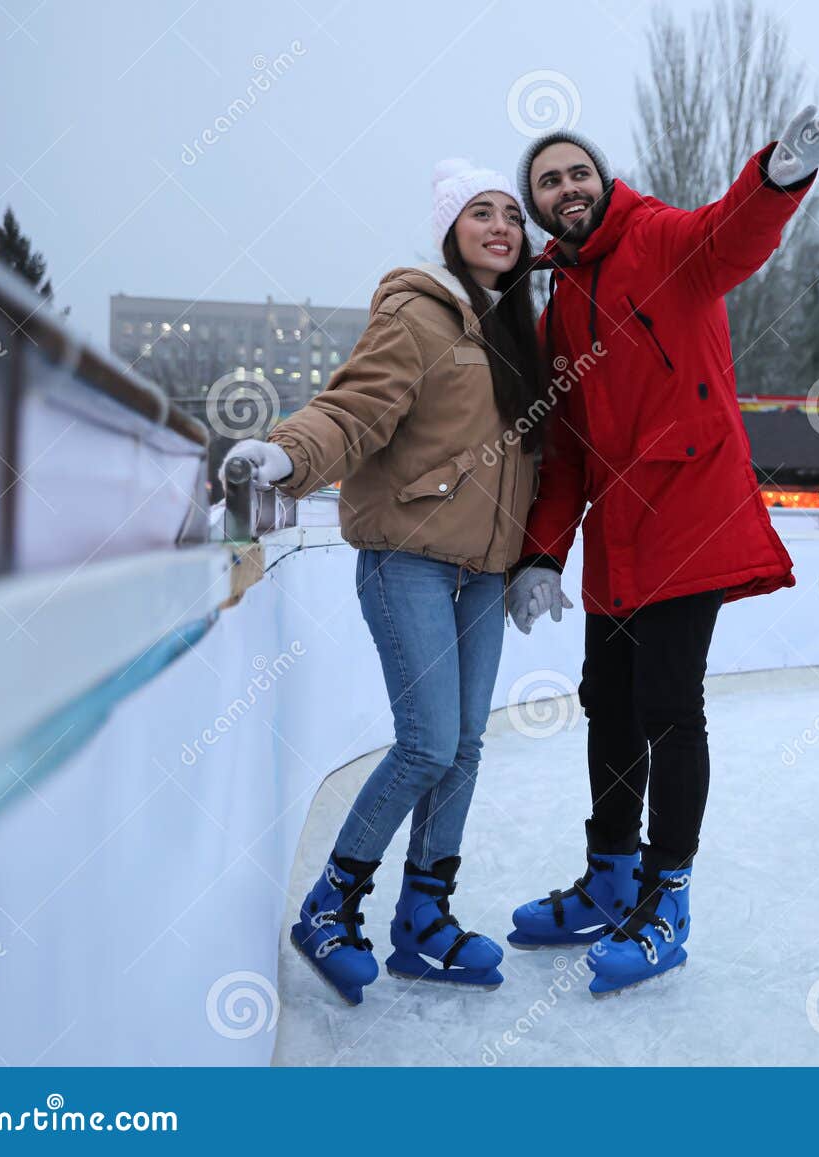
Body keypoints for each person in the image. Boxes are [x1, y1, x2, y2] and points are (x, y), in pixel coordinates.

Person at [502, 107, 819, 995]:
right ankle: (610, 875)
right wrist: (544, 553)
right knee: (605, 700)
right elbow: (569, 450)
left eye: (579, 172)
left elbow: (729, 237)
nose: (567, 187)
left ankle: (668, 898)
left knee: (665, 701)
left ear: (603, 181)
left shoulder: (656, 237)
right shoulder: (558, 304)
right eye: (549, 180)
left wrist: (776, 174)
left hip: (688, 513)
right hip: (617, 535)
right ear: (538, 206)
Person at [220, 159, 548, 1003]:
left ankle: (424, 919)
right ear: (451, 228)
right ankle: (332, 905)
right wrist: (287, 454)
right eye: (482, 213)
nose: (502, 227)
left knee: (467, 747)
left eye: (512, 215)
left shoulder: (517, 329)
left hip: (484, 571)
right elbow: (354, 409)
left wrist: (530, 557)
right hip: (407, 554)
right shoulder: (416, 313)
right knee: (427, 742)